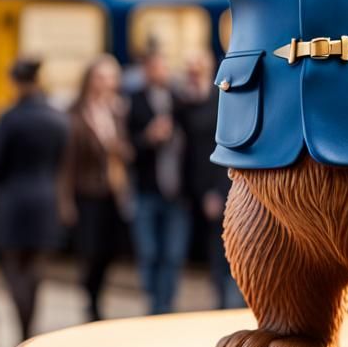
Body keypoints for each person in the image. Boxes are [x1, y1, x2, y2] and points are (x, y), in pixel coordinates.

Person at [0, 57, 68, 340]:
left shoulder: (9, 119)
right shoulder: (56, 118)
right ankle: (29, 330)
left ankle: (23, 330)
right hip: (46, 198)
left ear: (16, 82)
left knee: (13, 269)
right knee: (35, 270)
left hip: (14, 200)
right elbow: (61, 160)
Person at [59, 54, 132, 321]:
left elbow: (125, 149)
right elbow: (67, 162)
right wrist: (65, 200)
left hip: (112, 191)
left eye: (112, 77)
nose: (108, 83)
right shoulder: (76, 113)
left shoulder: (117, 110)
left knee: (109, 249)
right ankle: (91, 301)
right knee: (89, 250)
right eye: (102, 77)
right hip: (86, 192)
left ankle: (97, 295)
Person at [175, 50, 243, 309]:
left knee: (226, 248)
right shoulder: (186, 102)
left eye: (198, 68)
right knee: (214, 250)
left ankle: (232, 304)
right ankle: (223, 302)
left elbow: (224, 146)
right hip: (197, 187)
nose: (193, 73)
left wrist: (217, 190)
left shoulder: (221, 98)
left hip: (220, 186)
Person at [125, 46, 190, 314]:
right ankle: (154, 303)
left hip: (177, 190)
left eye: (163, 67)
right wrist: (148, 138)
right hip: (146, 190)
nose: (160, 72)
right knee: (149, 252)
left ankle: (166, 305)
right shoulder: (134, 102)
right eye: (154, 68)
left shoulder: (178, 100)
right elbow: (127, 148)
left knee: (173, 254)